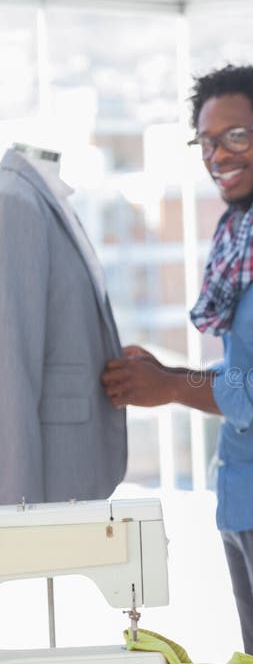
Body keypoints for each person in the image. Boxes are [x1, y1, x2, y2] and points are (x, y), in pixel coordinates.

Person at [101, 64, 253, 664]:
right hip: (244, 496)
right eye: (206, 142)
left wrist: (174, 388)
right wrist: (165, 376)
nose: (218, 155)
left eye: (235, 137)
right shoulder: (246, 231)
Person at [0, 143, 126, 505]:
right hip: (47, 478)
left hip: (70, 466)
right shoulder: (15, 201)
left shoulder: (47, 199)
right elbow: (10, 358)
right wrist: (16, 511)